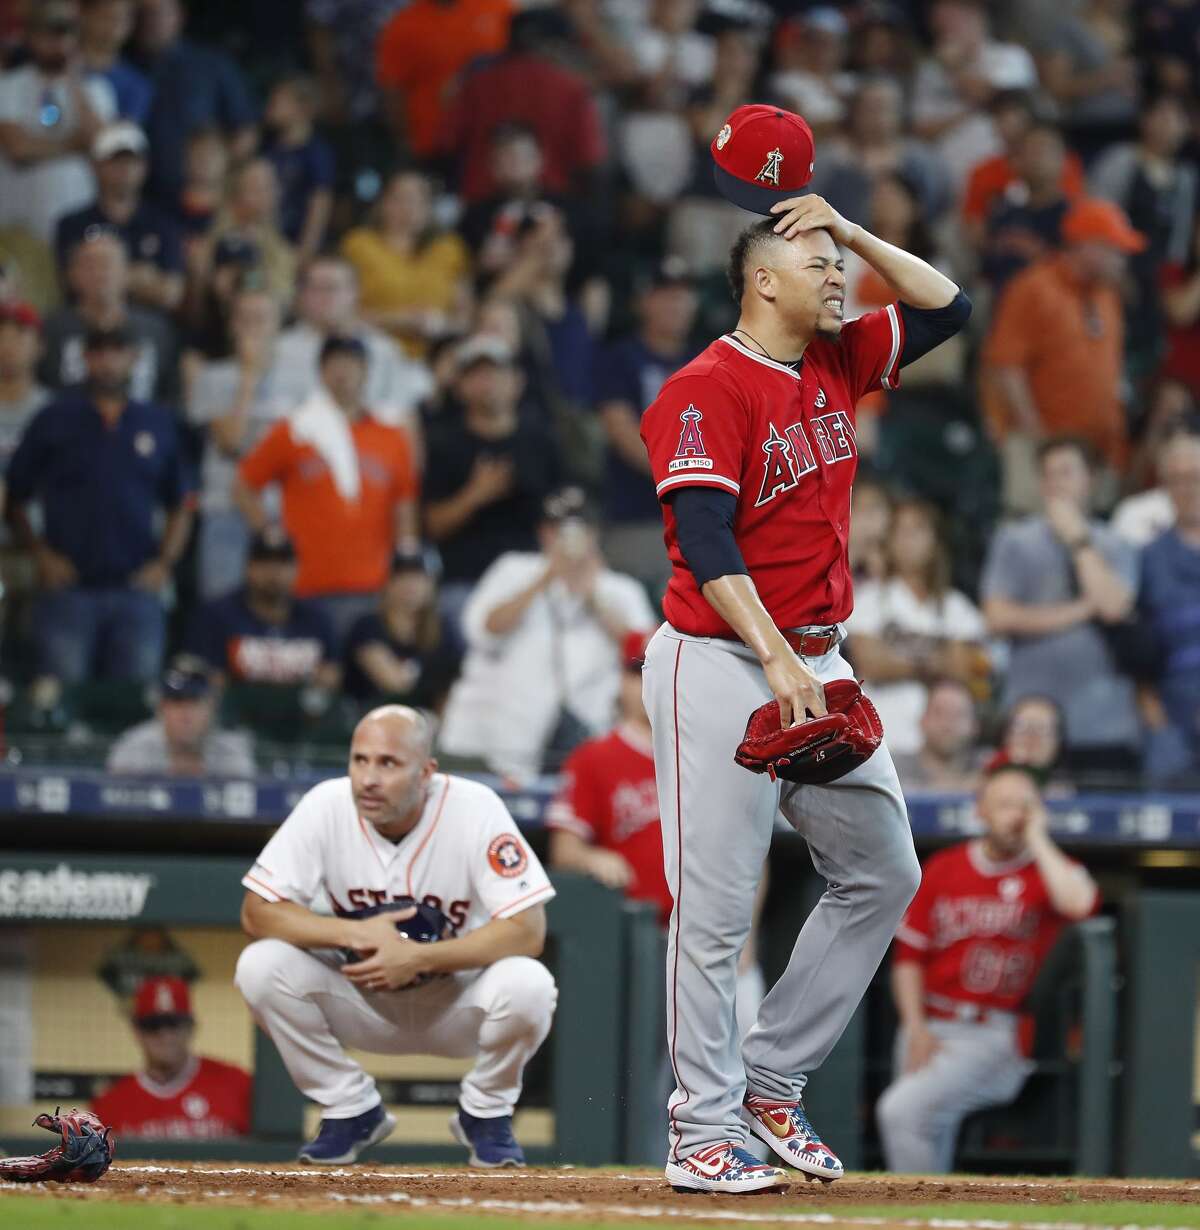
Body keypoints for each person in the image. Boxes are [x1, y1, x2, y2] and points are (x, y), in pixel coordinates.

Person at [638, 106, 971, 1192]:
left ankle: (771, 1083)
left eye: (837, 255)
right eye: (815, 256)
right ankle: (700, 1135)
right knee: (719, 905)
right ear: (759, 278)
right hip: (720, 658)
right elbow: (700, 532)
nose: (837, 272)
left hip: (815, 656)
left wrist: (855, 231)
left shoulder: (834, 359)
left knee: (884, 871)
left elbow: (949, 305)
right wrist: (779, 659)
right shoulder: (705, 386)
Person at [235, 705, 557, 1166]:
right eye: (359, 760)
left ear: (426, 772)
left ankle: (486, 1110)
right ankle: (349, 1107)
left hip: (457, 1001)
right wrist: (353, 930)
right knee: (259, 965)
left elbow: (528, 930)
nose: (368, 778)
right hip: (361, 998)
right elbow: (257, 912)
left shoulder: (474, 807)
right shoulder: (327, 804)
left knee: (530, 983)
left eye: (387, 763)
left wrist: (419, 959)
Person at [875, 763, 1098, 1173]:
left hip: (993, 1033)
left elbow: (1079, 903)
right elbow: (909, 959)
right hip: (928, 1024)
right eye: (1005, 804)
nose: (1015, 813)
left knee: (901, 1114)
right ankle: (930, 1217)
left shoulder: (1046, 871)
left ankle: (916, 1217)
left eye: (1025, 805)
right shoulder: (945, 867)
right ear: (980, 811)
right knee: (924, 1130)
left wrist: (1037, 837)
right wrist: (916, 1027)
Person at [548, 630, 767, 1035]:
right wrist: (592, 857)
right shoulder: (594, 758)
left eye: (657, 670)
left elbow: (753, 852)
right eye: (637, 672)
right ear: (621, 682)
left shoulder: (717, 752)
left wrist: (747, 931)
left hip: (716, 933)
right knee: (652, 1076)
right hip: (641, 942)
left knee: (751, 1064)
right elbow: (564, 848)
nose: (648, 682)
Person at [5, 324, 193, 685]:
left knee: (133, 701)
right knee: (63, 698)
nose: (108, 362)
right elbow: (16, 497)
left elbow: (181, 502)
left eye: (117, 352)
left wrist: (165, 563)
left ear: (134, 358)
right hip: (68, 587)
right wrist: (40, 555)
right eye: (99, 353)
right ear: (86, 359)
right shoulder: (54, 418)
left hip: (137, 587)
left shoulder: (158, 422)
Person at [438, 490, 655, 782]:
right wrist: (545, 578)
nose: (568, 539)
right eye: (559, 529)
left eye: (579, 530)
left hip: (587, 737)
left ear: (594, 534)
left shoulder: (619, 588)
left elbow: (644, 656)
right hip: (501, 739)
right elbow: (482, 629)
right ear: (544, 533)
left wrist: (593, 597)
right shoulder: (514, 569)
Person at [234, 335, 419, 641]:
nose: (342, 372)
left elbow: (404, 504)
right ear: (321, 371)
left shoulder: (391, 437)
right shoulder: (295, 429)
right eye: (334, 363)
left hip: (373, 583)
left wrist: (405, 564)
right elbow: (243, 485)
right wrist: (269, 533)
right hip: (307, 581)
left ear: (366, 371)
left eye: (351, 363)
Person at [981, 436, 1140, 773]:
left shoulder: (1116, 543)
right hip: (1029, 722)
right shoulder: (1014, 539)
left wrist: (1077, 539)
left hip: (1103, 722)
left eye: (1066, 473)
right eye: (1047, 475)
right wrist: (1083, 609)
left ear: (1091, 480)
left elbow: (1113, 607)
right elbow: (996, 616)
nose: (1055, 484)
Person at [981, 198, 1145, 504]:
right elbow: (1005, 367)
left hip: (1097, 452)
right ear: (1087, 246)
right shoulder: (1033, 287)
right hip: (1042, 449)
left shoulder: (1107, 294)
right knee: (1033, 538)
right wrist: (1039, 439)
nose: (1122, 259)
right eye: (1114, 249)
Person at [422, 335, 560, 624]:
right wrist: (475, 495)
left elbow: (564, 514)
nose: (487, 382)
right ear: (458, 387)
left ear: (517, 382)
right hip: (467, 581)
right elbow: (432, 525)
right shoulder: (442, 443)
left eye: (496, 373)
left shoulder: (541, 440)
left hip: (532, 578)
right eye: (476, 374)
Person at [846, 499, 989, 757]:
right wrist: (935, 661)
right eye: (900, 531)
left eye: (918, 530)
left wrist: (898, 660)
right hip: (883, 736)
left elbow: (964, 669)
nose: (908, 540)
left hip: (943, 746)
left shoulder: (956, 606)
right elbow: (872, 664)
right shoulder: (868, 599)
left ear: (935, 541)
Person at [595, 258, 698, 597]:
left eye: (682, 295)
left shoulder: (707, 359)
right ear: (643, 302)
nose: (674, 304)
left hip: (697, 518)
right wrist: (682, 478)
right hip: (637, 516)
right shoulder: (621, 358)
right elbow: (621, 431)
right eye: (664, 295)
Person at [187, 285, 293, 601]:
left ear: (278, 325)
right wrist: (247, 376)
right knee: (221, 604)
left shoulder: (298, 382)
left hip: (284, 512)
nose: (253, 328)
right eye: (245, 319)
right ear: (232, 325)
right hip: (224, 510)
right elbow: (231, 442)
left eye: (262, 319)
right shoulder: (211, 377)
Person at [0, 0, 117, 243]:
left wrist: (73, 82)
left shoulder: (96, 89)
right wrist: (74, 145)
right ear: (31, 36)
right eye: (49, 32)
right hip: (18, 223)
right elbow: (18, 148)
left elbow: (103, 145)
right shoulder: (8, 86)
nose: (58, 41)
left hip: (78, 222)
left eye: (66, 32)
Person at [274, 256, 433, 434]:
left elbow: (401, 410)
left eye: (334, 288)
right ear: (301, 295)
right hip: (300, 446)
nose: (326, 297)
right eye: (317, 289)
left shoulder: (383, 349)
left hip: (370, 447)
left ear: (355, 292)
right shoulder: (278, 350)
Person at [91, 975, 252, 1138]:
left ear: (191, 1027)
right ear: (137, 1031)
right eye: (153, 1024)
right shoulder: (110, 1104)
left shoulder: (237, 1085)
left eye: (173, 1023)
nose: (164, 1034)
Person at [134, 0, 257, 207]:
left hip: (207, 202)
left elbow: (246, 131)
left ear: (179, 16)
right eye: (144, 15)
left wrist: (216, 177)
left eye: (159, 13)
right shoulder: (129, 67)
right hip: (145, 201)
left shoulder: (211, 64)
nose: (151, 22)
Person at [54, 121, 184, 314]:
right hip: (87, 329)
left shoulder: (162, 223)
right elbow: (73, 284)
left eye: (132, 160)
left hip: (149, 329)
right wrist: (142, 277)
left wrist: (103, 276)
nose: (125, 168)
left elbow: (171, 293)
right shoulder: (72, 224)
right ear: (96, 166)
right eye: (115, 160)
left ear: (145, 166)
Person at [340, 170, 471, 359]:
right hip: (370, 352)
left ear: (429, 207)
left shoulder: (449, 249)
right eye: (401, 198)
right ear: (383, 203)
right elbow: (342, 312)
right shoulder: (358, 245)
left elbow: (465, 317)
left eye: (419, 200)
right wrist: (400, 321)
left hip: (437, 356)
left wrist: (443, 324)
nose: (409, 207)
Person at [187, 527, 339, 690]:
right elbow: (206, 678)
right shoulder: (217, 615)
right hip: (236, 714)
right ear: (248, 567)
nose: (273, 572)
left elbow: (332, 676)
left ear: (296, 568)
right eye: (264, 562)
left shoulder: (316, 617)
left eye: (282, 563)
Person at [41, 231, 178, 404]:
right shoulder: (51, 329)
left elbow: (171, 396)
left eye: (107, 264)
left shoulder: (157, 330)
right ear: (72, 275)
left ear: (127, 272)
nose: (100, 273)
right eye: (90, 265)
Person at [1137, 432, 1200, 786]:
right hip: (1171, 720)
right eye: (1175, 480)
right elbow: (1135, 650)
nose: (1186, 488)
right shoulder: (1149, 558)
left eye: (1194, 477)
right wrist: (1156, 718)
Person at [374, 0, 511, 164]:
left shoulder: (497, 8)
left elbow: (519, 67)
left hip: (494, 141)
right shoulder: (404, 24)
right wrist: (404, 141)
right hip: (432, 142)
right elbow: (392, 92)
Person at [342, 547, 460, 709]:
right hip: (373, 715)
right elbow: (394, 684)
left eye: (419, 577)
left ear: (432, 584)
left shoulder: (444, 627)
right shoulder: (367, 625)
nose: (411, 586)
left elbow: (460, 679)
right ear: (388, 583)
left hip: (427, 717)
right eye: (402, 577)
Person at [107, 655, 255, 776]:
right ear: (160, 709)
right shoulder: (133, 750)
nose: (186, 714)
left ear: (212, 709)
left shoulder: (231, 753)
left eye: (194, 702)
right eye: (177, 702)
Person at [261, 75, 334, 264]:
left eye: (279, 102)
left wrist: (306, 250)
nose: (271, 106)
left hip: (296, 242)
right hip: (267, 238)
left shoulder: (316, 153)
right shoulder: (268, 149)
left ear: (303, 108)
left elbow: (320, 202)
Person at [890, 677, 983, 794]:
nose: (947, 724)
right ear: (922, 720)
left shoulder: (987, 766)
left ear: (975, 725)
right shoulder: (894, 768)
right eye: (939, 713)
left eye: (958, 715)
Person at [79, 0, 152, 124]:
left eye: (121, 19)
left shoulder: (137, 85)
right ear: (85, 16)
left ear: (131, 25)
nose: (113, 26)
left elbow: (120, 138)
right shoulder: (53, 63)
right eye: (105, 17)